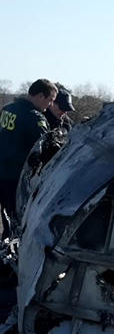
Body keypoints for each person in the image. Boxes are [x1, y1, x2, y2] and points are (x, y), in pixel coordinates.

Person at [0, 79, 56, 238]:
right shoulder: (35, 119)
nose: (50, 105)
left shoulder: (8, 109)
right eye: (50, 100)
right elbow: (45, 150)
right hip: (15, 178)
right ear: (40, 96)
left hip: (2, 170)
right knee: (14, 221)